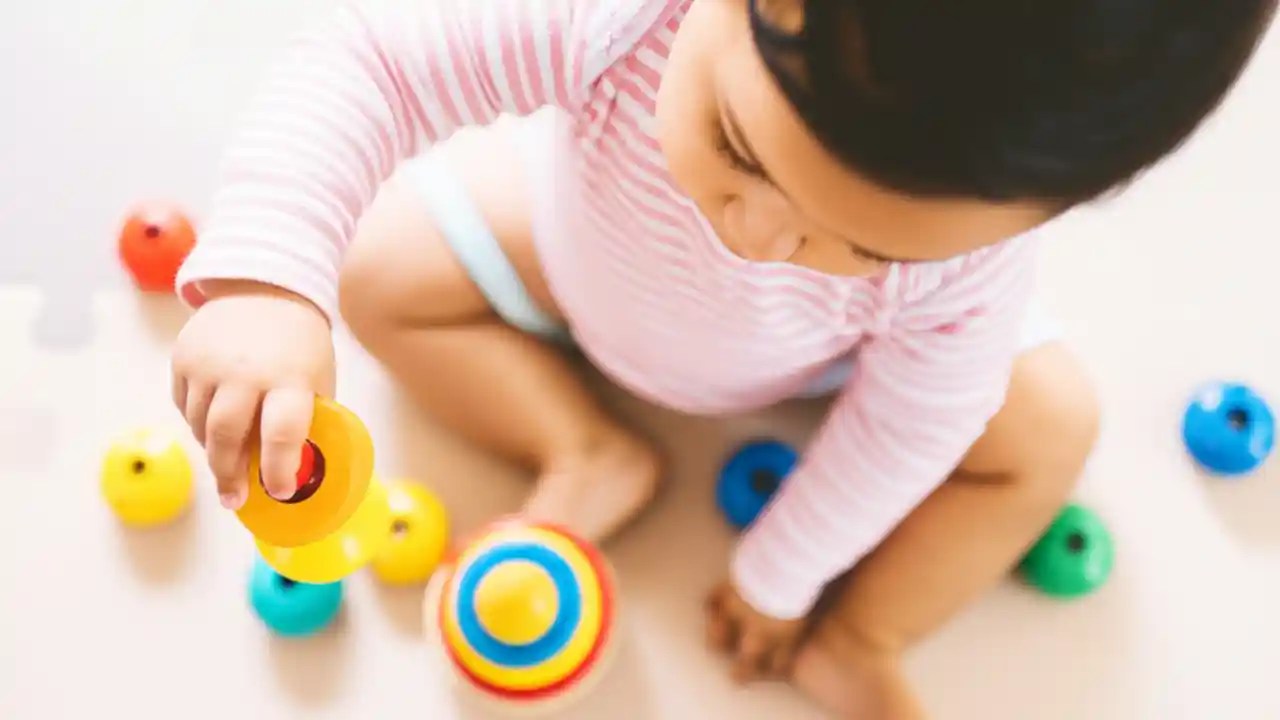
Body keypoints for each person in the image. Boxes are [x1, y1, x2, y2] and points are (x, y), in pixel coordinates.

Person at [170, 0, 1276, 715]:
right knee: (376, 272)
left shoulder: (972, 266)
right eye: (737, 146)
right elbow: (372, 65)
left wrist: (781, 573)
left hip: (827, 366)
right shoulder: (626, 17)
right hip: (584, 260)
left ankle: (863, 634)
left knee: (1048, 428)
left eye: (863, 242)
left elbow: (911, 426)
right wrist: (270, 281)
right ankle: (584, 445)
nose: (753, 237)